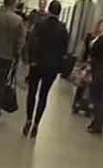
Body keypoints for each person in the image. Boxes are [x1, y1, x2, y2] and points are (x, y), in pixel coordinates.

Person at [22, 0, 68, 138]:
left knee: (32, 92)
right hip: (51, 68)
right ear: (59, 13)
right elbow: (64, 50)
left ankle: (28, 119)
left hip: (37, 64)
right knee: (43, 95)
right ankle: (36, 124)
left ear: (49, 9)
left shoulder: (40, 24)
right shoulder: (63, 29)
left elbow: (32, 43)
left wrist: (31, 60)